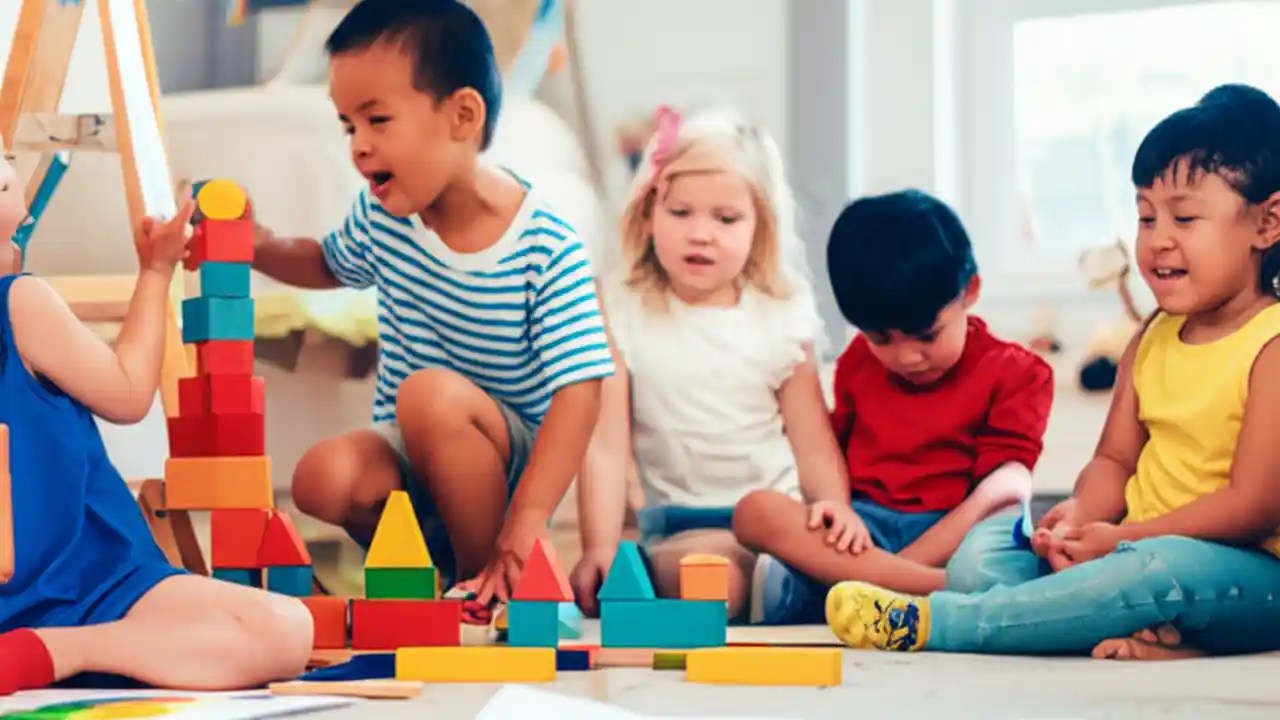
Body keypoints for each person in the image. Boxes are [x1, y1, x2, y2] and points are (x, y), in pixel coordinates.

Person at [826, 83, 1280, 659]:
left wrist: (1124, 539)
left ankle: (941, 625)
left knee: (1158, 570)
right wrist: (1080, 517)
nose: (1158, 240)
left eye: (1184, 218)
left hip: (1251, 575)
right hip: (1132, 551)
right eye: (1145, 217)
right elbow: (1115, 460)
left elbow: (1255, 505)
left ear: (1267, 225)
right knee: (985, 559)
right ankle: (1154, 633)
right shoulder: (1153, 337)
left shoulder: (1271, 344)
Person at [249, 0, 614, 605]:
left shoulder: (544, 242)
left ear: (462, 116)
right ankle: (434, 573)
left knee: (427, 394)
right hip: (411, 446)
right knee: (323, 478)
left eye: (378, 120)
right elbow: (327, 263)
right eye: (348, 126)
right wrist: (258, 248)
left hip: (504, 456)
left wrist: (527, 519)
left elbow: (582, 389)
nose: (359, 147)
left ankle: (487, 577)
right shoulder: (383, 218)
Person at [0, 153, 312, 695]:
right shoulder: (21, 303)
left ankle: (53, 651)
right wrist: (155, 272)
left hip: (106, 589)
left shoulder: (20, 308)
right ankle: (66, 650)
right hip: (98, 579)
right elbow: (127, 393)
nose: (11, 170)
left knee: (283, 628)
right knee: (286, 630)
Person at [733, 189, 1053, 624]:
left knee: (992, 547)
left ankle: (848, 589)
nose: (906, 358)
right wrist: (835, 510)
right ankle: (914, 591)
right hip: (867, 533)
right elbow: (834, 459)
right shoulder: (857, 364)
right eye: (881, 339)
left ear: (970, 291)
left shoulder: (1018, 373)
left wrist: (904, 561)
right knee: (756, 511)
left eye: (927, 335)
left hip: (954, 528)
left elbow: (998, 493)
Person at [567, 106, 837, 620]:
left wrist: (835, 510)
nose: (701, 233)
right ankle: (778, 593)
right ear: (648, 215)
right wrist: (599, 547)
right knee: (710, 580)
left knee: (821, 557)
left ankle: (795, 583)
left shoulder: (782, 315)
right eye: (681, 213)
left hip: (783, 518)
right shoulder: (622, 309)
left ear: (760, 227)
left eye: (726, 218)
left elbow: (814, 444)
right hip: (686, 529)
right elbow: (603, 445)